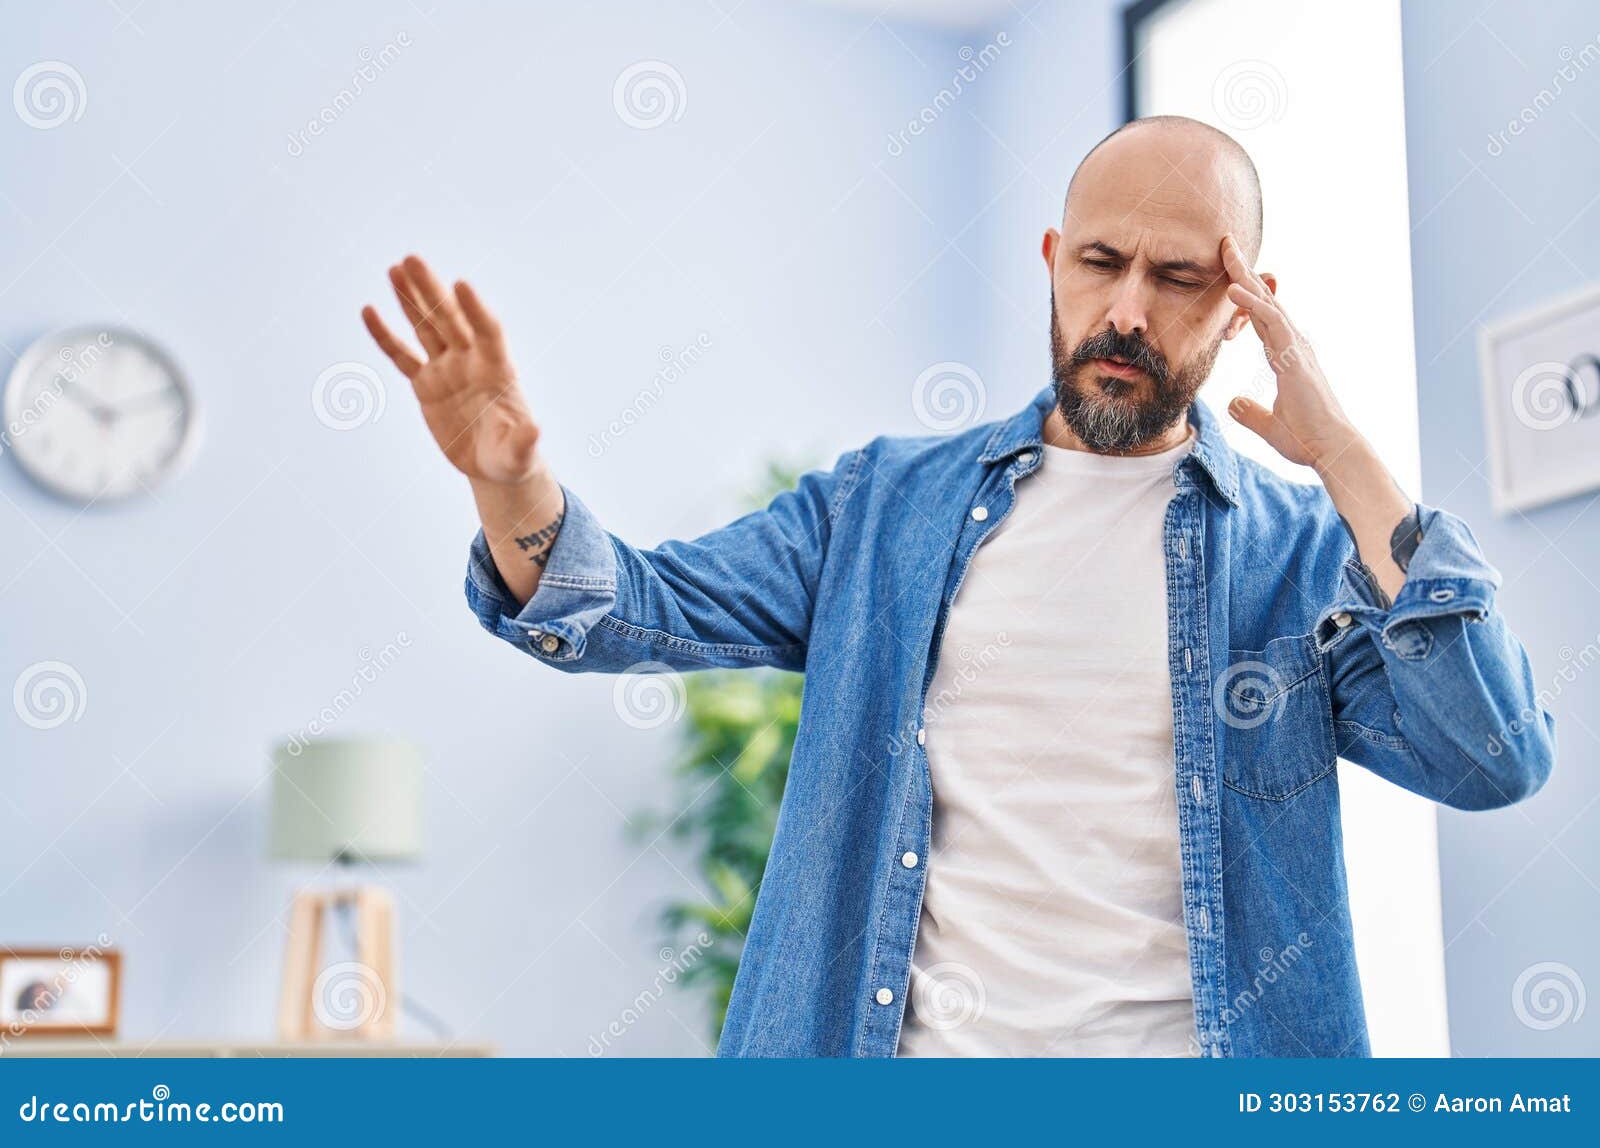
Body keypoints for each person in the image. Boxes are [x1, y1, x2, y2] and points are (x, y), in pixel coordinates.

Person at [361, 116, 1555, 1058]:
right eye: (1099, 262)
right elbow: (624, 610)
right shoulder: (884, 507)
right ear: (1052, 260)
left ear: (1244, 307)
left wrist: (1345, 456)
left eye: (1179, 276)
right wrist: (509, 483)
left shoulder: (1300, 551)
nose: (1126, 310)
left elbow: (1490, 757)